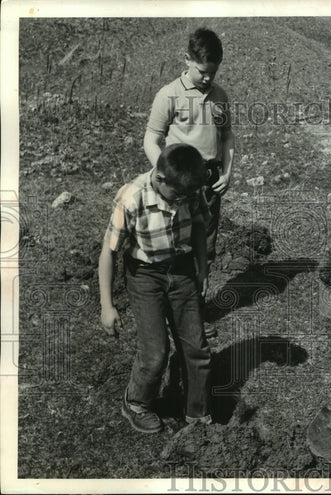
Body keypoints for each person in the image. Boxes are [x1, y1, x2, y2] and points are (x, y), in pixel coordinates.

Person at [99, 143, 212, 433]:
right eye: (177, 196)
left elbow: (199, 225)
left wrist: (201, 268)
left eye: (186, 197)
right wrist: (107, 306)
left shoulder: (189, 187)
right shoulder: (132, 198)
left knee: (197, 348)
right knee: (156, 352)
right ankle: (136, 402)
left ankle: (196, 415)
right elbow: (109, 253)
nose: (180, 202)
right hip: (145, 275)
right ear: (160, 178)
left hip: (183, 269)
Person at [144, 27, 235, 273]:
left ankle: (199, 301)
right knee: (176, 239)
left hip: (208, 180)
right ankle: (173, 300)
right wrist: (166, 173)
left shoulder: (220, 96)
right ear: (187, 60)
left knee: (205, 240)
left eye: (213, 73)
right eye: (202, 72)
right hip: (179, 180)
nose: (207, 78)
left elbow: (227, 137)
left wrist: (227, 173)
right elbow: (151, 139)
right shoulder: (169, 95)